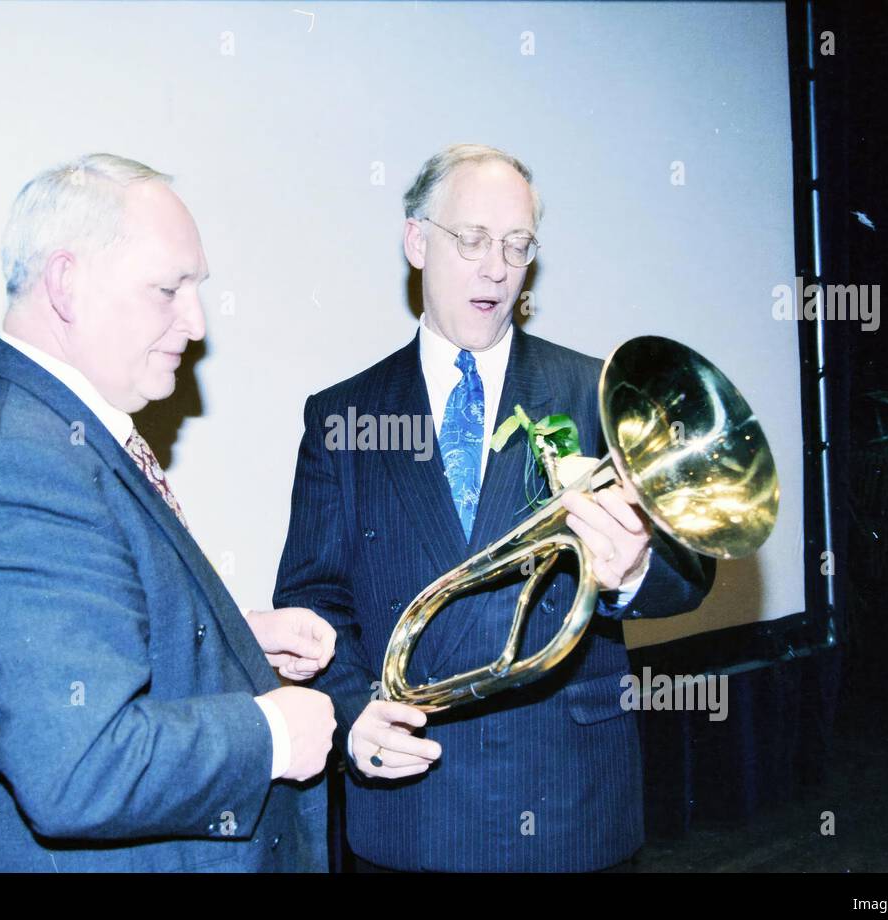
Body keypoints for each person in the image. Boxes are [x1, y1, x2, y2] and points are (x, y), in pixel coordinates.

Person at [273, 144, 715, 872]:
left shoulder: (601, 393)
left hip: (572, 800)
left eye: (518, 245)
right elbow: (311, 601)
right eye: (472, 240)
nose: (497, 268)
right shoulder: (341, 415)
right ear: (417, 241)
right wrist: (354, 721)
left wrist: (634, 572)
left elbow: (690, 571)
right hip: (414, 809)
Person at [0, 153, 336, 872]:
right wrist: (271, 732)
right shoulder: (15, 466)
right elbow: (78, 766)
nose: (196, 323)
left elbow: (83, 635)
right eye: (169, 289)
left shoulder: (44, 429)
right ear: (66, 283)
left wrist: (231, 643)